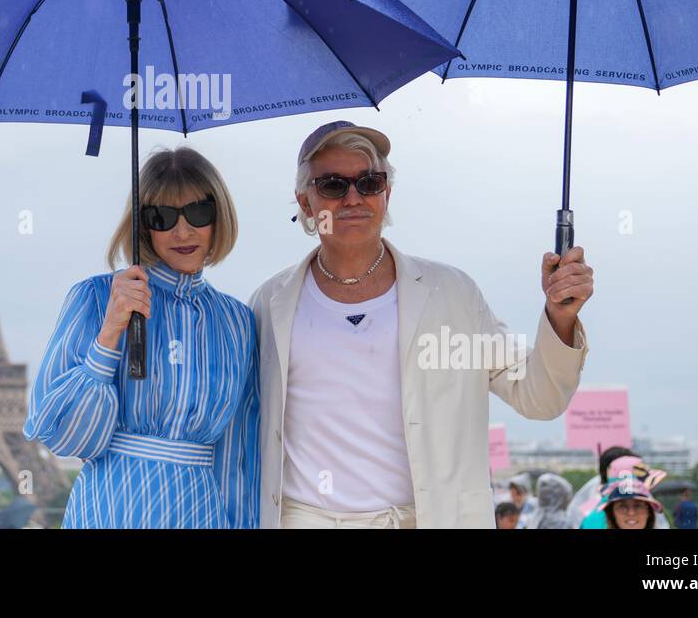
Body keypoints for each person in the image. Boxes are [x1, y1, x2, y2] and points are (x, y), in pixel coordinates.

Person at [248, 121, 592, 529]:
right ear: (306, 203)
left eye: (369, 182)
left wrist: (560, 315)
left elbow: (540, 398)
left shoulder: (452, 295)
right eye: (333, 186)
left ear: (387, 194)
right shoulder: (270, 303)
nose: (353, 198)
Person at [23, 146, 259, 528]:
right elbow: (67, 438)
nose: (183, 231)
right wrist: (110, 332)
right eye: (162, 217)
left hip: (199, 513)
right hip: (112, 510)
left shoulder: (237, 322)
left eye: (198, 212)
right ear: (142, 225)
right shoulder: (96, 298)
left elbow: (236, 454)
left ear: (219, 217)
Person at [573, 447, 670, 529]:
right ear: (611, 513)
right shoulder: (595, 517)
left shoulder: (590, 510)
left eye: (638, 505)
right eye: (622, 506)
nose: (631, 513)